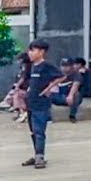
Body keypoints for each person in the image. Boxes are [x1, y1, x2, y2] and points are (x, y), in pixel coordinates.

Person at [22, 39, 62, 169]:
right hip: (31, 103)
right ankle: (36, 154)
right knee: (33, 131)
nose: (30, 53)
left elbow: (61, 76)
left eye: (33, 50)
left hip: (41, 104)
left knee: (39, 131)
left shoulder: (47, 66)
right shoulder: (32, 66)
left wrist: (48, 89)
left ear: (41, 52)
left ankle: (40, 156)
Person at [51, 57, 83, 122]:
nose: (64, 68)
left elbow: (75, 85)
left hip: (70, 97)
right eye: (62, 66)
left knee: (76, 95)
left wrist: (70, 95)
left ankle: (72, 115)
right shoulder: (57, 74)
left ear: (71, 66)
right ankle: (48, 118)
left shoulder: (76, 75)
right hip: (59, 96)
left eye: (66, 66)